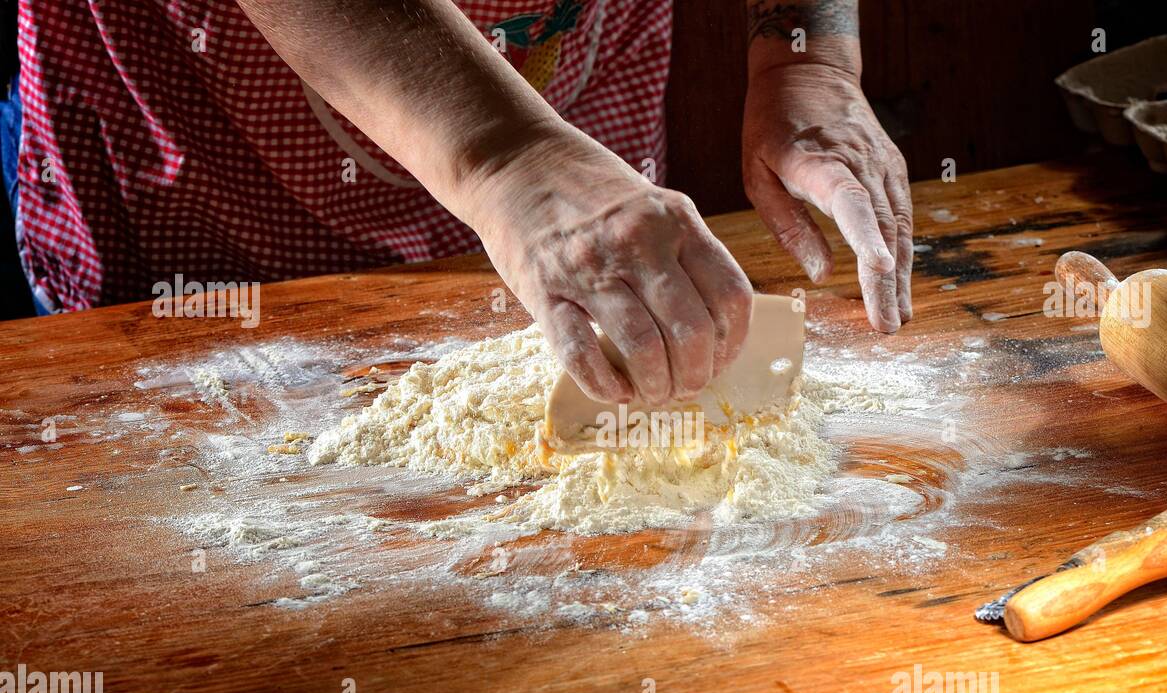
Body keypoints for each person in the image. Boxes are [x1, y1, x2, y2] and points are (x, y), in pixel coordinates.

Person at [2, 0, 911, 402]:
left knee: (603, 299)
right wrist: (510, 159)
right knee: (219, 419)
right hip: (213, 119)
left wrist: (804, 52)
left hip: (564, 85)